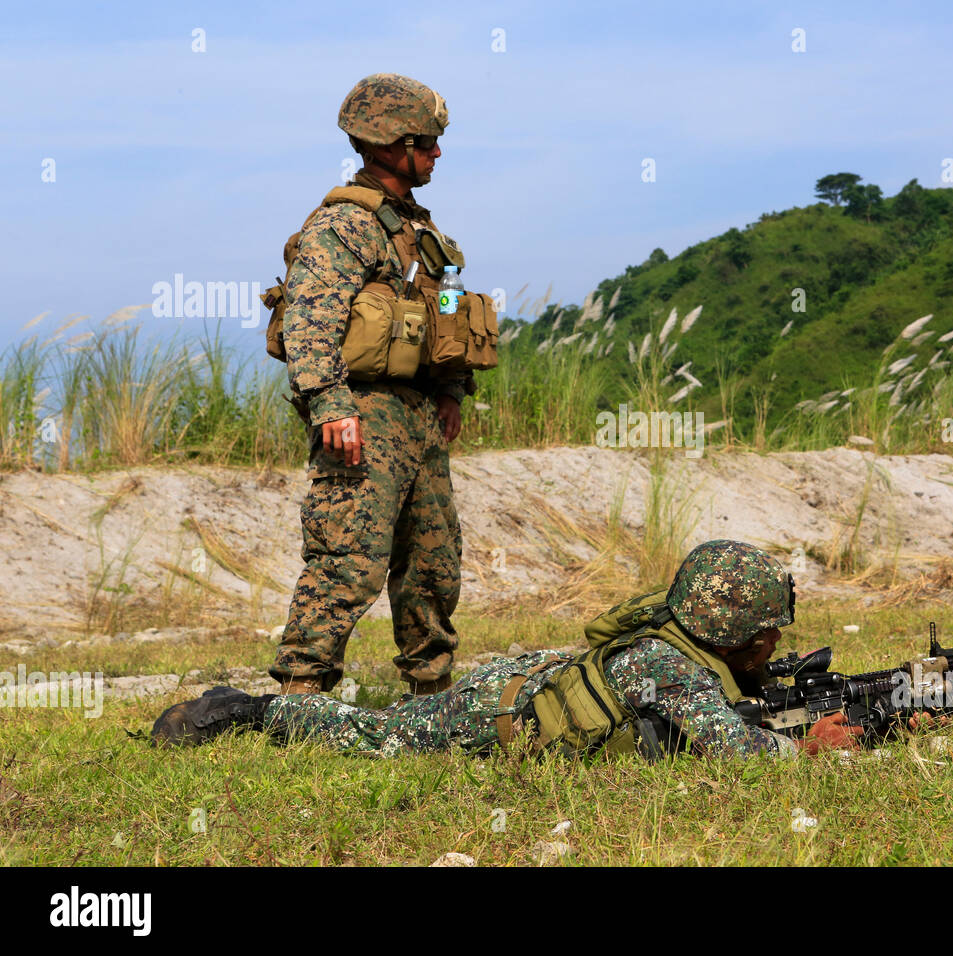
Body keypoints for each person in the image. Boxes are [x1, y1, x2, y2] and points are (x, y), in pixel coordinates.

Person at [152, 541, 867, 758]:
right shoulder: (666, 665)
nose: (775, 647)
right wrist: (811, 748)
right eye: (769, 636)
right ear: (735, 630)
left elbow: (732, 710)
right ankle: (246, 710)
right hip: (489, 714)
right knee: (368, 734)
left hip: (526, 682)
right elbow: (741, 756)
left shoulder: (685, 647)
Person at [270, 73, 478, 698]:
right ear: (393, 146)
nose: (438, 154)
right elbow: (310, 319)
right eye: (428, 143)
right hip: (362, 411)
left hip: (417, 416)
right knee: (347, 558)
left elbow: (446, 309)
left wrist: (450, 391)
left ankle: (431, 691)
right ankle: (301, 692)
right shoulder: (344, 226)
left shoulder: (420, 231)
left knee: (433, 562)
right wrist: (330, 405)